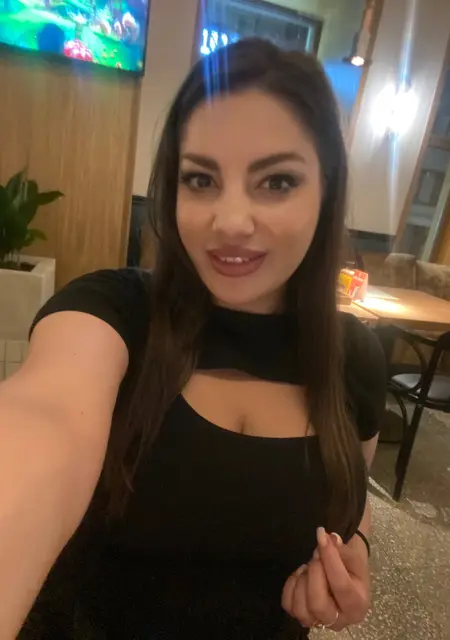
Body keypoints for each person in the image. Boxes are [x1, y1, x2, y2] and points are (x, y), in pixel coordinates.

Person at [1, 39, 386, 639]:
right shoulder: (113, 311)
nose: (229, 221)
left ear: (326, 193)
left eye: (277, 181)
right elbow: (42, 418)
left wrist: (351, 547)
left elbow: (351, 497)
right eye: (201, 179)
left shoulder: (353, 356)